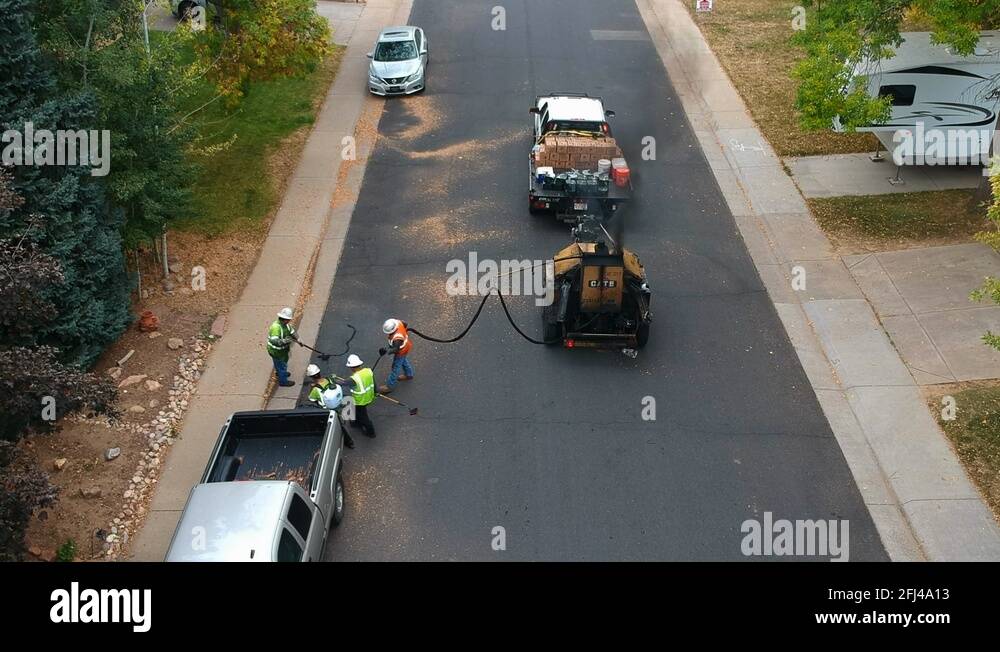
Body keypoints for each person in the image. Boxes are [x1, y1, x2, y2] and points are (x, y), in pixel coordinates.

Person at [306, 364, 354, 449]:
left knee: (338, 425)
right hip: (337, 403)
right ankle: (351, 423)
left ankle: (349, 442)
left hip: (327, 409)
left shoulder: (315, 389)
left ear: (311, 377)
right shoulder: (329, 379)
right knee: (342, 420)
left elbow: (311, 399)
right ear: (319, 372)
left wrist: (312, 388)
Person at [335, 354, 376, 438]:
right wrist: (376, 391)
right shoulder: (368, 371)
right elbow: (374, 383)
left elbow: (343, 383)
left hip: (360, 400)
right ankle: (356, 422)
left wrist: (334, 380)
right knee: (357, 410)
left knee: (364, 417)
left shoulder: (354, 379)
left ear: (352, 367)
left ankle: (371, 433)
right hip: (369, 396)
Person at [379, 318, 414, 394]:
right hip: (406, 347)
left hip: (401, 351)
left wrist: (386, 350)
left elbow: (396, 349)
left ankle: (389, 386)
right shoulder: (398, 323)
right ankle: (409, 374)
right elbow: (405, 323)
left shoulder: (397, 338)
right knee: (403, 361)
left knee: (395, 367)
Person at [266, 307, 298, 387]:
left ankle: (280, 373)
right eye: (288, 319)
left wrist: (298, 339)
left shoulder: (286, 325)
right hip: (276, 351)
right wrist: (285, 341)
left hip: (283, 351)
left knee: (279, 364)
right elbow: (274, 340)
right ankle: (283, 381)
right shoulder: (276, 327)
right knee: (282, 365)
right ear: (284, 319)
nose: (289, 321)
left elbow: (292, 332)